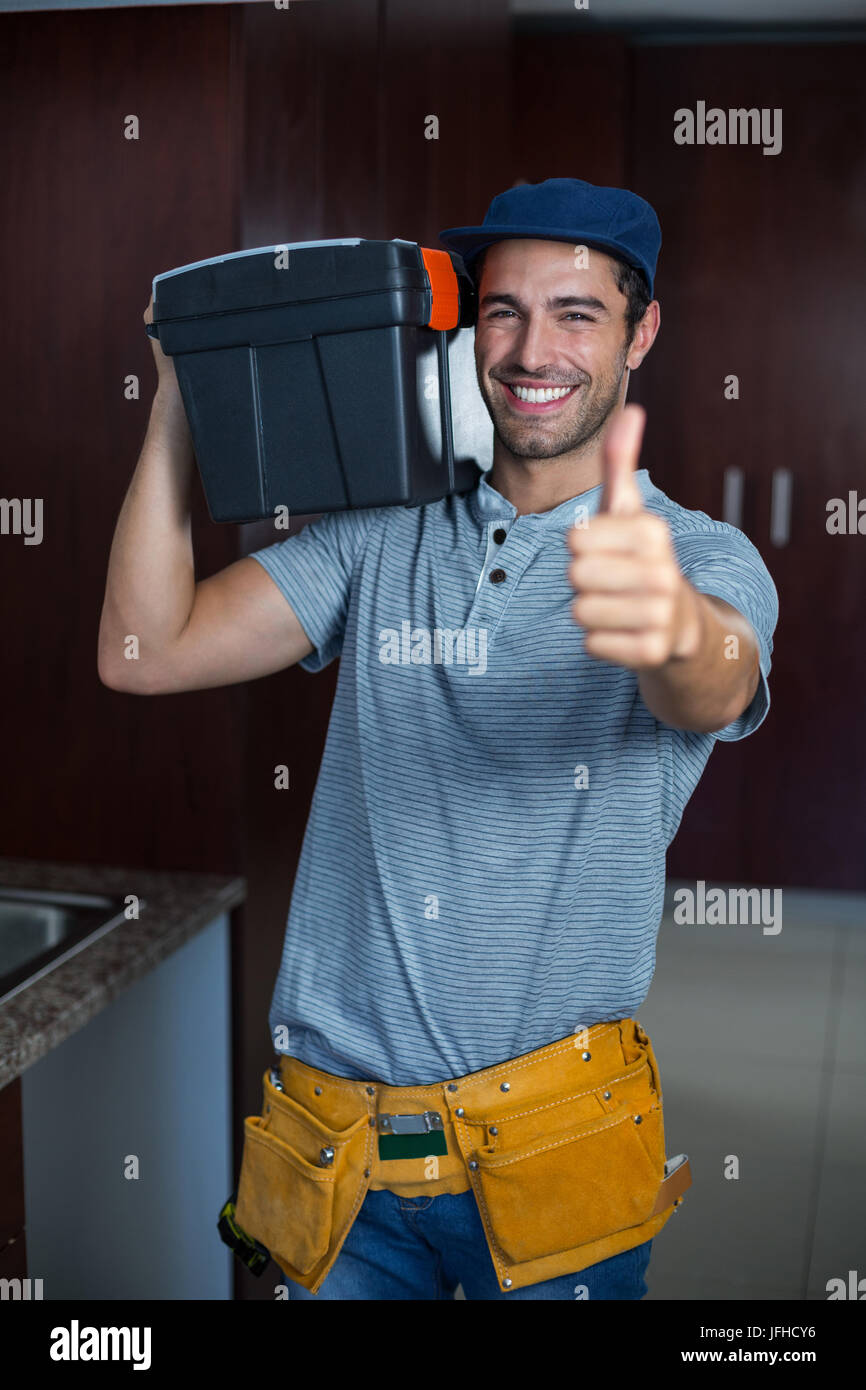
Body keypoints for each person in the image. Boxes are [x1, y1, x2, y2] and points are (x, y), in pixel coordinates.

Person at [98, 177, 778, 1300]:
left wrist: (663, 625)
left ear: (639, 333)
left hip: (557, 1144)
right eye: (502, 310)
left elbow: (707, 685)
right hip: (337, 1150)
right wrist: (181, 394)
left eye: (575, 312)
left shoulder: (697, 559)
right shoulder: (378, 531)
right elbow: (142, 649)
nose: (529, 348)